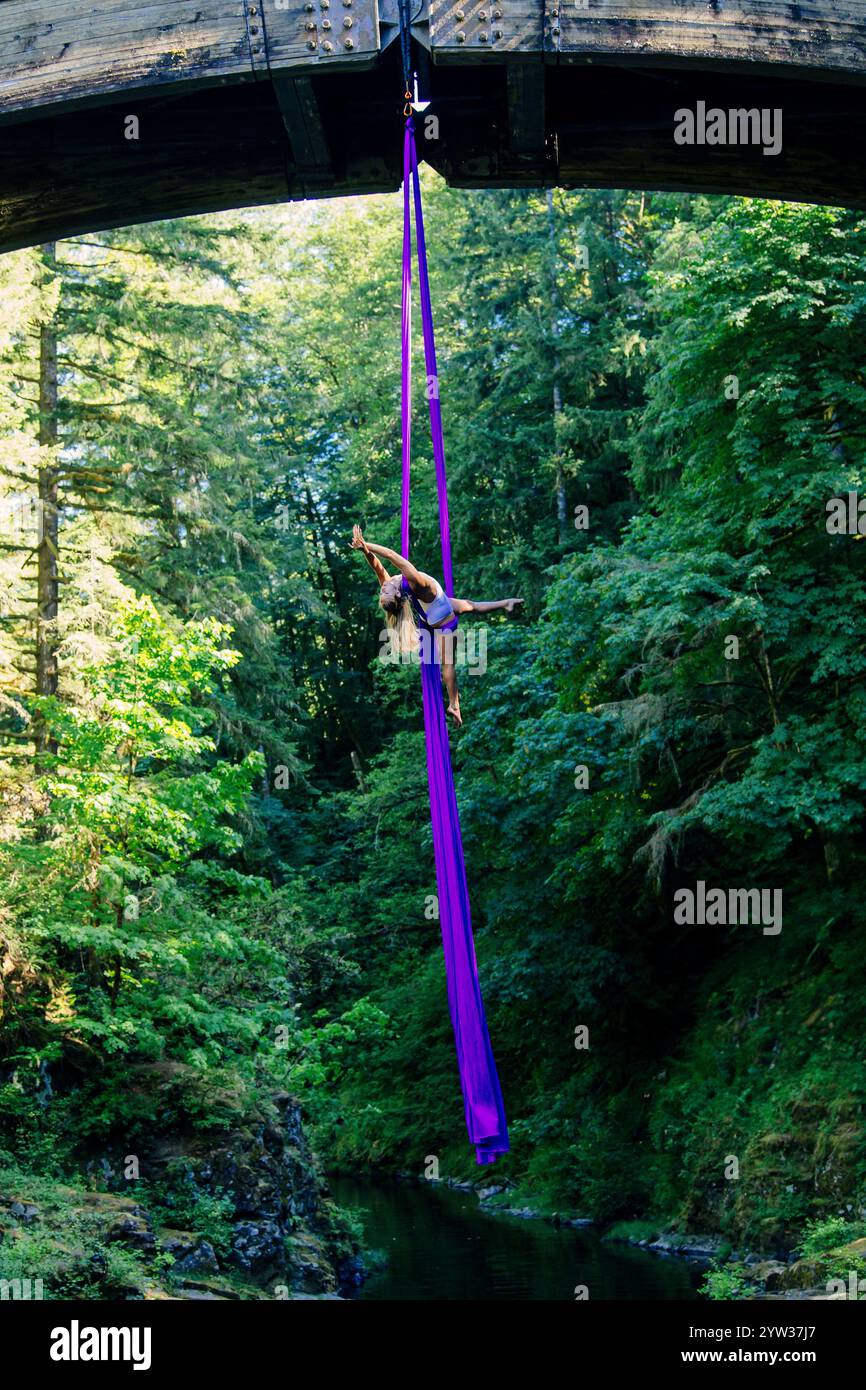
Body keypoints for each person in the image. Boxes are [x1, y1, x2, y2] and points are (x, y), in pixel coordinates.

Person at [351, 524, 522, 725]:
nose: (383, 587)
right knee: (447, 664)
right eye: (384, 591)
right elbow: (390, 555)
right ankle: (454, 705)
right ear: (396, 594)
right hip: (443, 622)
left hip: (432, 612)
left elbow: (377, 566)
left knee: (470, 605)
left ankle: (506, 603)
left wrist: (365, 550)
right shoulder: (413, 580)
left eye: (383, 590)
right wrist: (366, 544)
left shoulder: (393, 586)